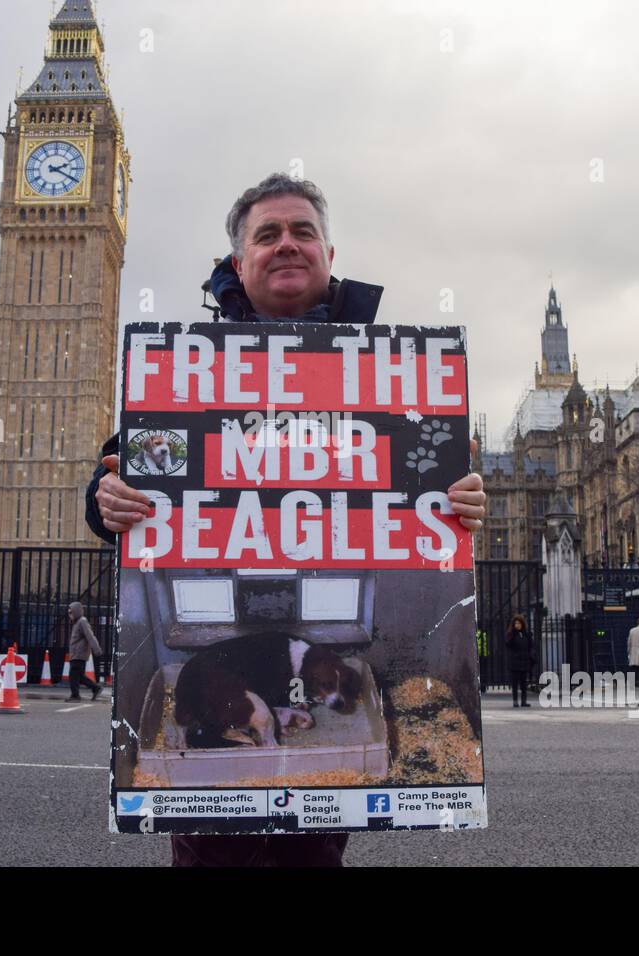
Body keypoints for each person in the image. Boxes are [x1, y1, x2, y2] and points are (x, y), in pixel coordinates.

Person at [84, 173, 489, 868]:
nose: (286, 245)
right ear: (238, 262)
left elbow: (435, 492)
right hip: (211, 643)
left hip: (327, 638)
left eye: (303, 232)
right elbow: (119, 473)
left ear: (330, 254)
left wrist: (468, 500)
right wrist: (103, 497)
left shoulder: (396, 376)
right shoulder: (179, 367)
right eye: (266, 235)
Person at [66, 601, 103, 701]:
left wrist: (97, 649)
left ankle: (75, 695)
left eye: (71, 612)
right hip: (76, 654)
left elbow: (90, 636)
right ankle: (95, 688)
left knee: (73, 675)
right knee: (79, 676)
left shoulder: (82, 621)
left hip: (79, 654)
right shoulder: (77, 623)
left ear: (76, 612)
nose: (69, 615)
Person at [506, 614, 535, 707]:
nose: (517, 625)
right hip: (515, 662)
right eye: (516, 623)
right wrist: (512, 633)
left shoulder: (526, 634)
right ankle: (515, 701)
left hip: (524, 661)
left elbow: (530, 646)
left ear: (522, 624)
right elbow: (508, 644)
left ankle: (523, 701)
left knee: (524, 683)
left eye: (519, 623)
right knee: (515, 683)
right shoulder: (512, 634)